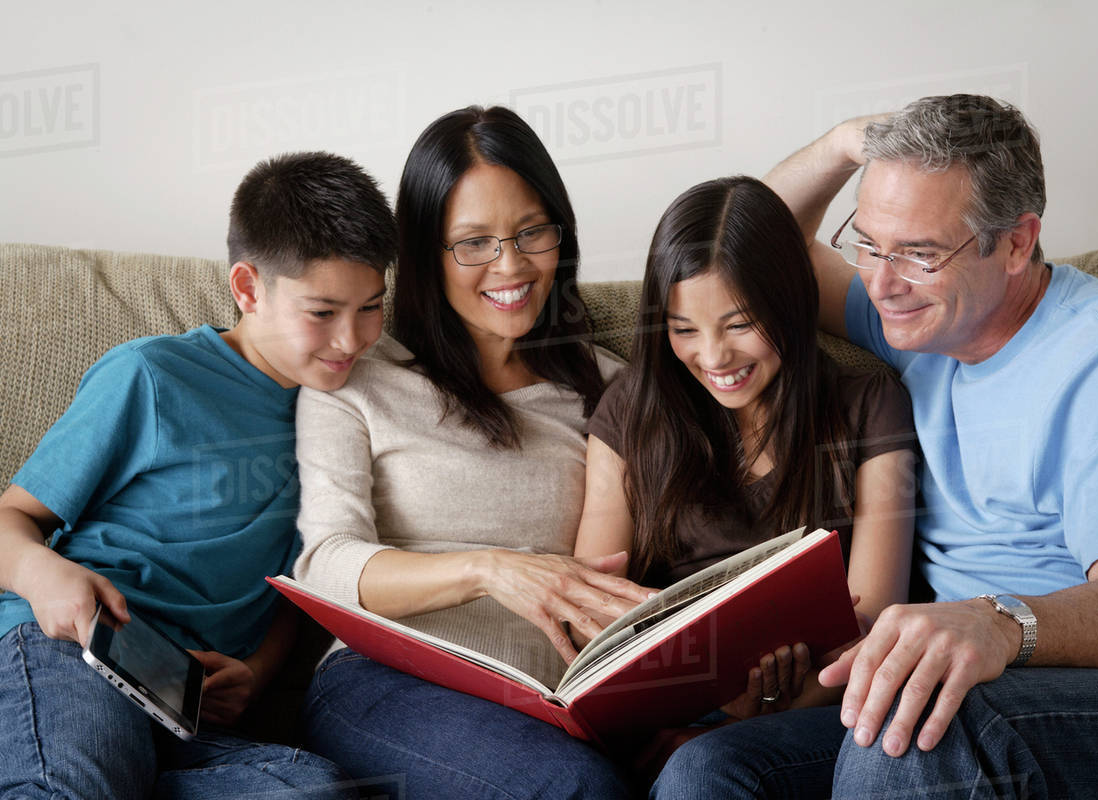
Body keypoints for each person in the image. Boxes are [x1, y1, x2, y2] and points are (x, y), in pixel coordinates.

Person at [750, 94, 1098, 798]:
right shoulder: (922, 322)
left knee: (913, 739)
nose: (882, 281)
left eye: (920, 254)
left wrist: (997, 623)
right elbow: (756, 243)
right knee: (714, 768)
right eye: (867, 243)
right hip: (966, 679)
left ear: (1017, 242)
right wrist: (843, 142)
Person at [0, 151, 398, 799]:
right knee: (70, 782)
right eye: (322, 312)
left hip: (179, 711)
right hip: (68, 656)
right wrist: (42, 574)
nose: (351, 341)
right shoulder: (151, 375)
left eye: (372, 307)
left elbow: (302, 583)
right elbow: (11, 519)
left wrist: (257, 672)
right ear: (248, 289)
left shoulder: (344, 419)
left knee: (315, 791)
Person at [294, 105, 651, 799]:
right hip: (384, 682)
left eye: (530, 233)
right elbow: (325, 565)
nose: (510, 265)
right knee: (574, 790)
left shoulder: (615, 390)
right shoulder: (356, 380)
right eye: (474, 242)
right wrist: (492, 572)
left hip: (550, 704)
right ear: (426, 254)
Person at [573, 175, 917, 797]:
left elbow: (870, 617)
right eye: (684, 329)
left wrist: (762, 711)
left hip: (823, 705)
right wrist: (703, 702)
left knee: (703, 773)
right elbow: (592, 607)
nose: (714, 356)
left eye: (739, 324)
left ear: (788, 301)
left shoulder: (871, 407)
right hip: (668, 707)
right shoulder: (632, 408)